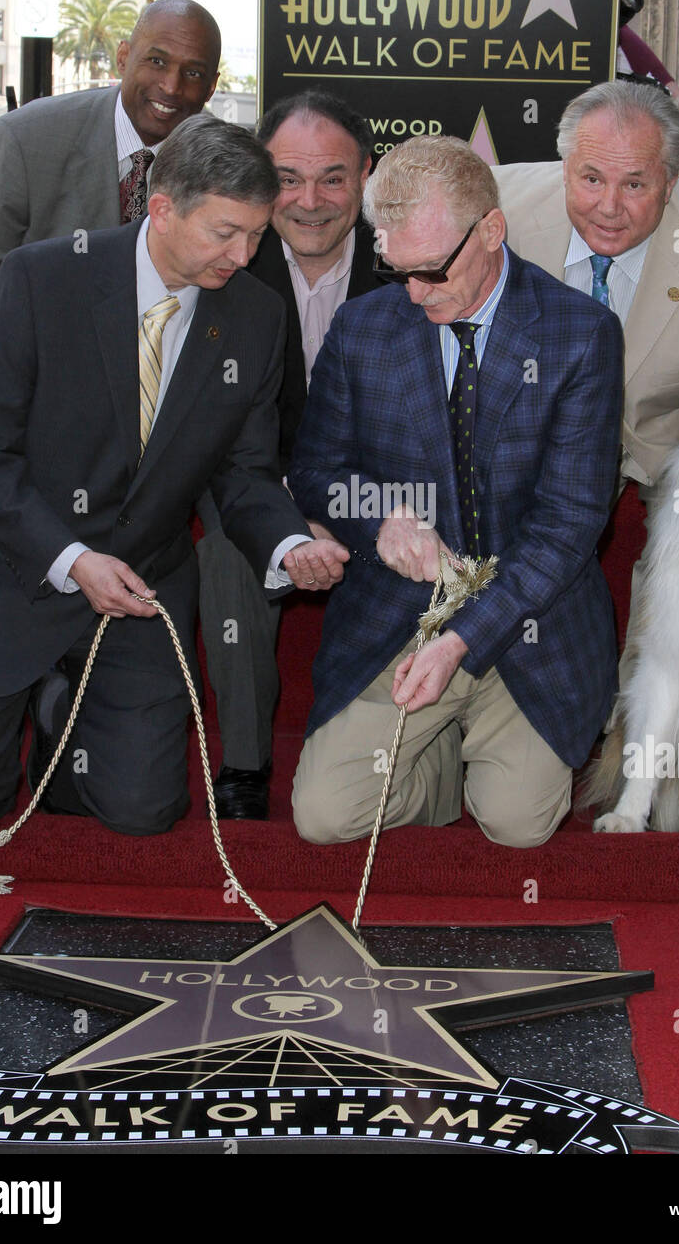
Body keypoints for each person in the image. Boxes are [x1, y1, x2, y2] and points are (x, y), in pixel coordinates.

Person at [0, 116, 347, 838]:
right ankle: (32, 698)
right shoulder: (40, 279)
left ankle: (60, 718)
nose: (242, 255)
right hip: (5, 571)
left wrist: (287, 544)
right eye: (224, 232)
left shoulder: (255, 318)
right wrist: (72, 560)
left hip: (138, 588)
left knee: (143, 812)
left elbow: (244, 472)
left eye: (256, 235)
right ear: (163, 205)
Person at [288, 136, 624, 848]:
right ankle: (437, 769)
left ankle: (471, 745)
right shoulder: (362, 328)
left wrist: (461, 641)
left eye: (432, 271)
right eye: (396, 270)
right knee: (324, 819)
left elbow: (569, 526)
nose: (413, 293)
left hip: (532, 622)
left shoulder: (581, 334)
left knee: (517, 825)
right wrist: (378, 521)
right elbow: (316, 473)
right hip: (398, 617)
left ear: (491, 231)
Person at [0, 0, 222, 455]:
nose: (171, 85)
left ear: (213, 86)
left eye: (193, 73)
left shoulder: (217, 166)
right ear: (123, 57)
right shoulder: (22, 141)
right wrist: (44, 390)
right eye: (156, 60)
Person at [200, 90, 382, 820]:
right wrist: (287, 516)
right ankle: (244, 762)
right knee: (225, 544)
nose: (310, 201)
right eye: (287, 179)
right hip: (258, 480)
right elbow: (215, 435)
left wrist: (355, 506)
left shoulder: (412, 264)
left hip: (383, 489)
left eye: (333, 177)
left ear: (366, 175)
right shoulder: (224, 270)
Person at [494, 80, 679, 493]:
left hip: (650, 479)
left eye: (634, 185)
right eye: (591, 179)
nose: (609, 207)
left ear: (669, 186)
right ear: (565, 169)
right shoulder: (494, 211)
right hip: (509, 457)